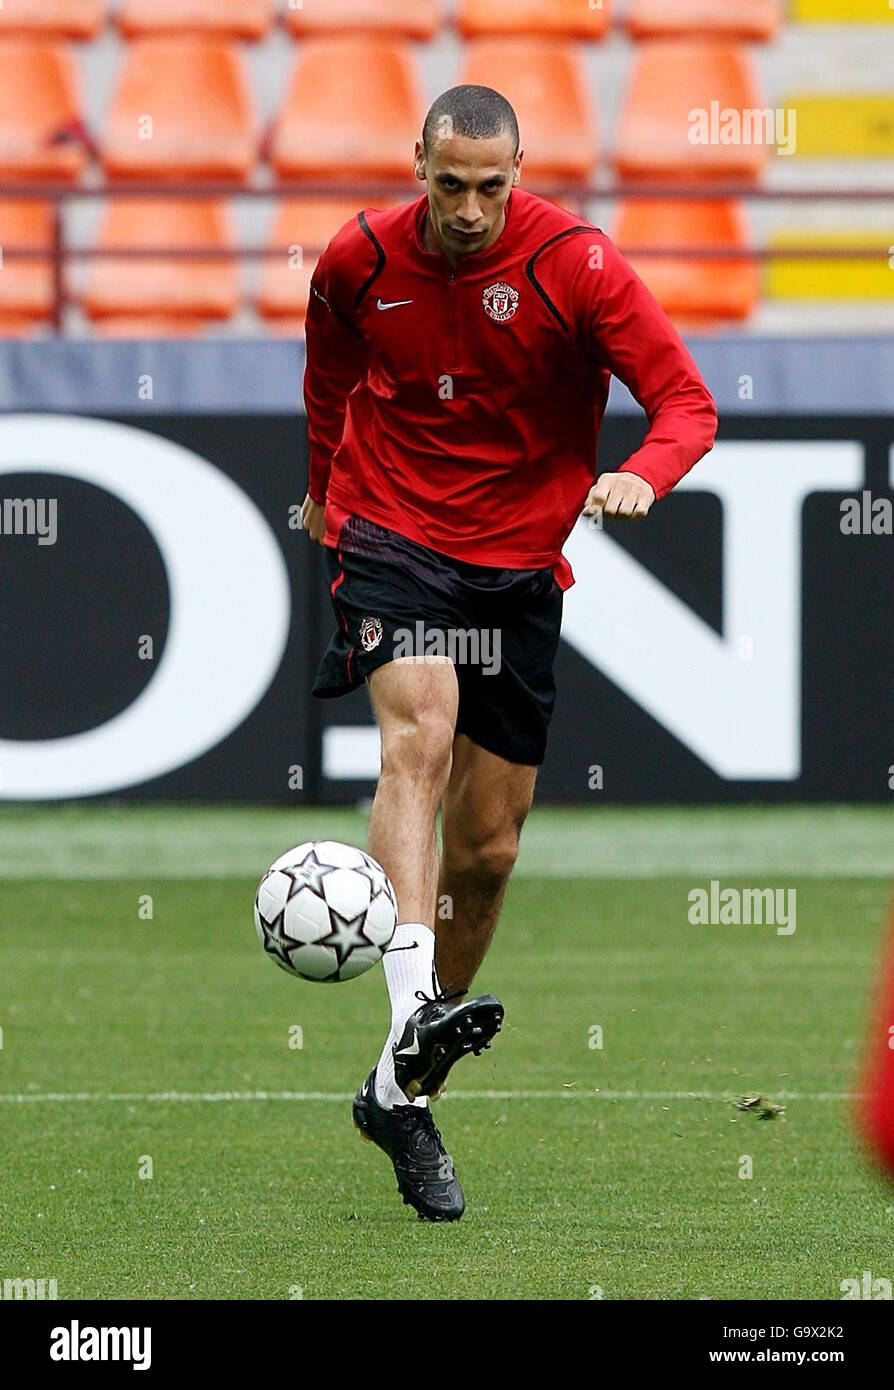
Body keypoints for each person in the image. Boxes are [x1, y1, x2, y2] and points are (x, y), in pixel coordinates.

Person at [301, 85, 717, 1222]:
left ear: (519, 171)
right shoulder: (356, 259)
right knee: (415, 742)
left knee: (488, 848)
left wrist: (645, 471)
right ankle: (407, 1017)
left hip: (520, 567)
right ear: (418, 165)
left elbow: (685, 400)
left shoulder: (577, 265)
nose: (472, 208)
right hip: (390, 536)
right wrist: (318, 491)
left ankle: (400, 1089)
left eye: (494, 185)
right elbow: (331, 380)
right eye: (451, 184)